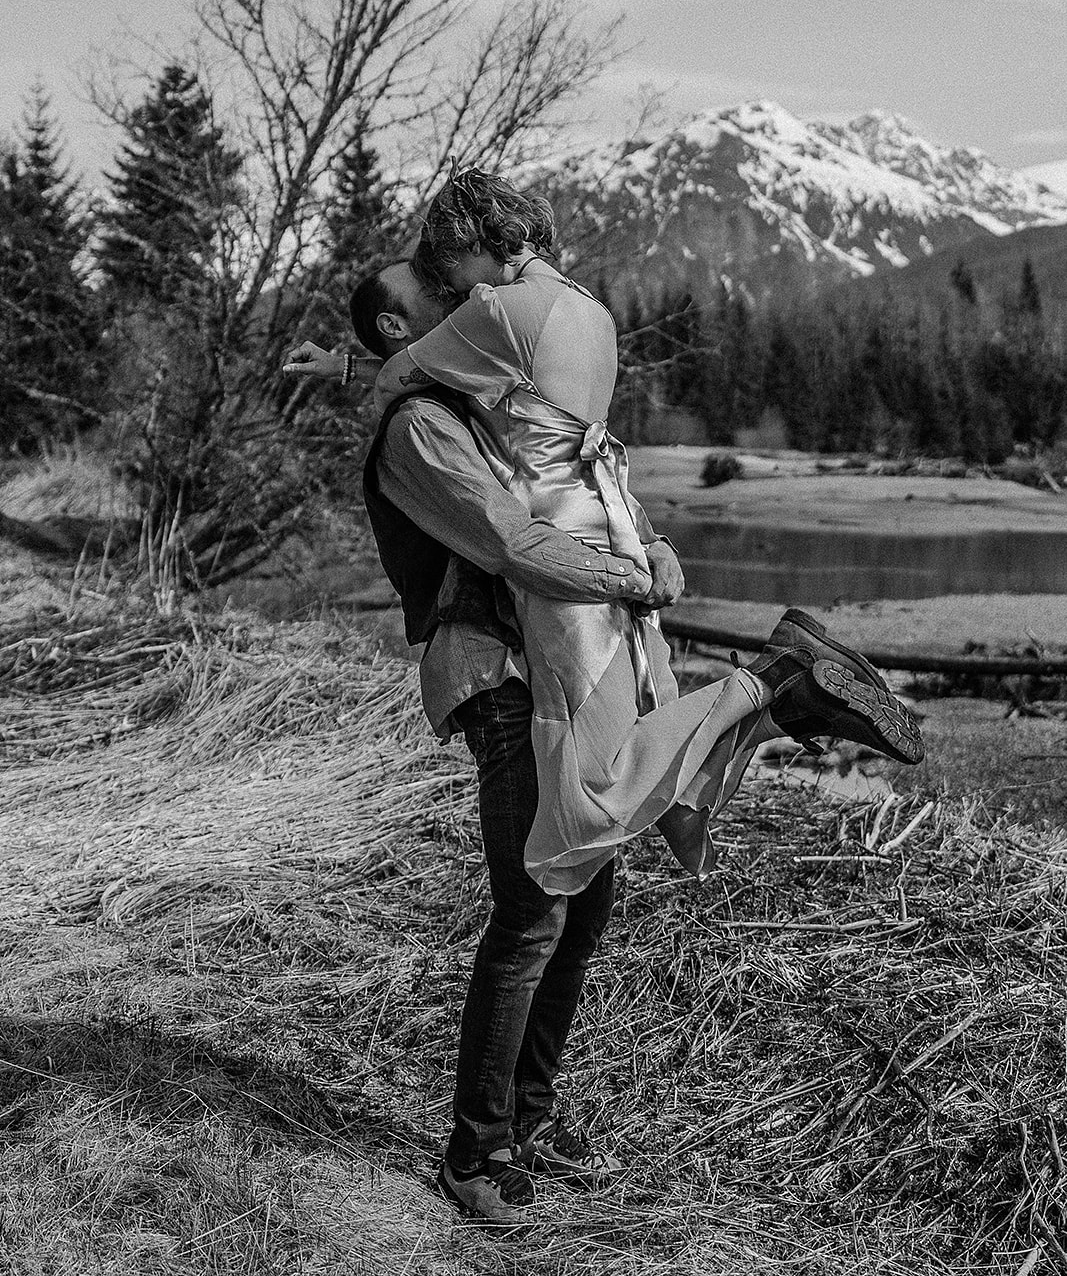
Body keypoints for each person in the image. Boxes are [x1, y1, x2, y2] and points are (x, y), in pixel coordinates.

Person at [284, 250, 923, 1226]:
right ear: (390, 330)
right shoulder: (418, 427)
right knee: (531, 911)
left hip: (568, 666)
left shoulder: (487, 401)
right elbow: (510, 541)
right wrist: (633, 580)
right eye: (436, 299)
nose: (467, 307)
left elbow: (579, 498)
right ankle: (475, 1150)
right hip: (498, 673)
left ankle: (528, 1119)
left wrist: (649, 548)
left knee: (580, 910)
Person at [370, 167, 923, 896]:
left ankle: (774, 682)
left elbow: (402, 373)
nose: (458, 293)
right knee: (657, 742)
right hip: (612, 521)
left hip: (561, 545)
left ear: (477, 241)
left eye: (455, 272)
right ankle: (761, 722)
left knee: (593, 780)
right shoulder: (589, 311)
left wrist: (356, 368)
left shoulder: (497, 314)